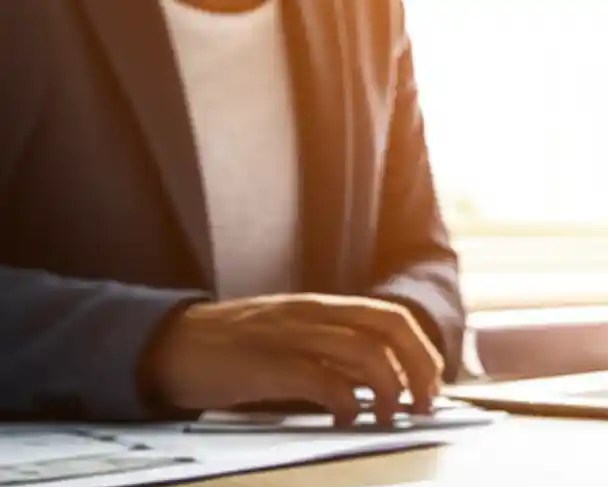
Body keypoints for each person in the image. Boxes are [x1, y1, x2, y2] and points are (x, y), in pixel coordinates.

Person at [0, 0, 463, 426]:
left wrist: (389, 332)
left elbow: (423, 255)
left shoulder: (366, 11)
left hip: (321, 477)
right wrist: (159, 343)